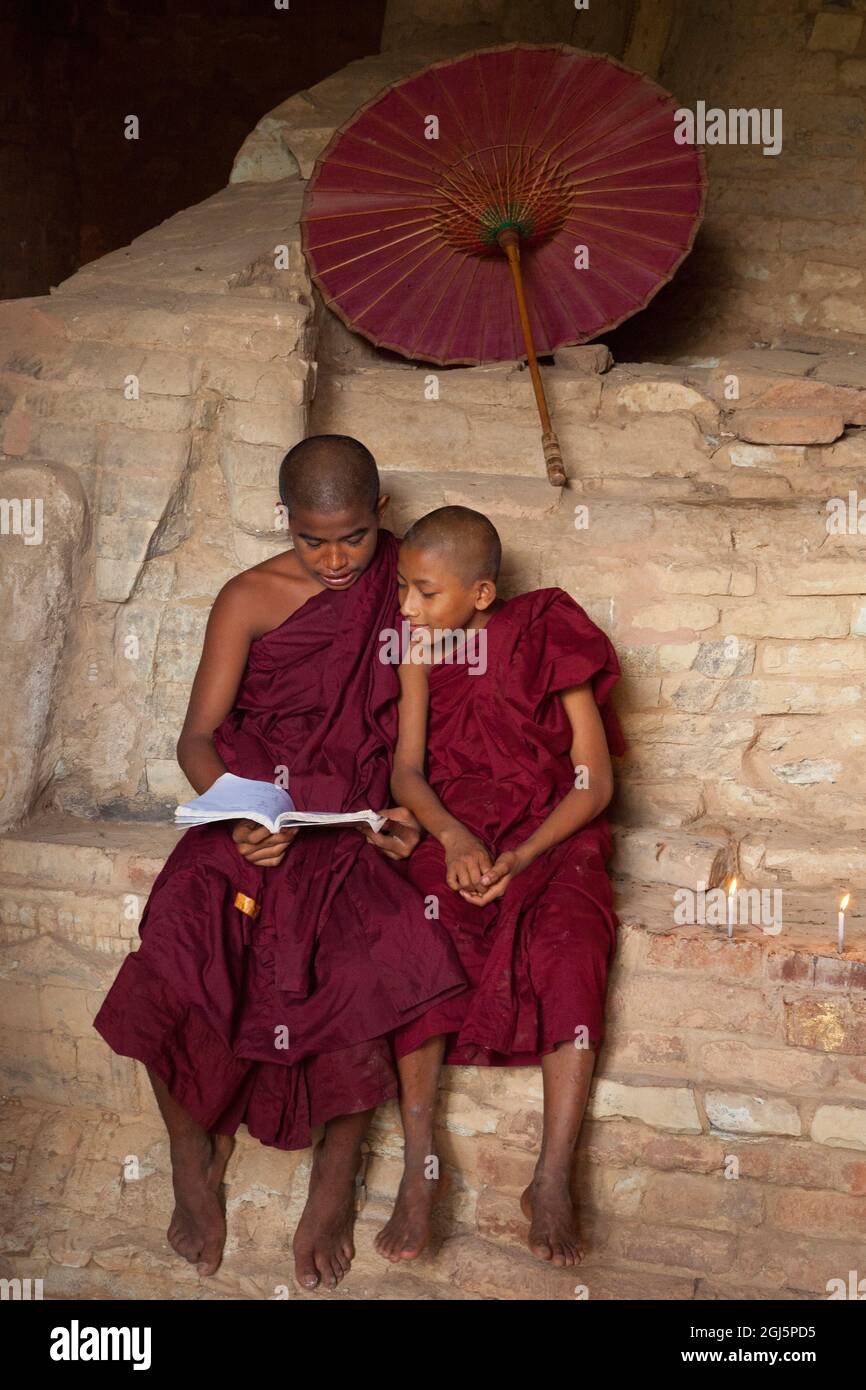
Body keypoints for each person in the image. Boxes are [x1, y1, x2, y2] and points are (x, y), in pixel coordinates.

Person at [94, 437, 465, 1291]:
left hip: (346, 827)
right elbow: (196, 738)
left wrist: (402, 823)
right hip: (252, 814)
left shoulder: (397, 598)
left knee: (372, 949)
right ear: (285, 522)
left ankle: (333, 1181)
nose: (336, 562)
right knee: (183, 936)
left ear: (381, 518)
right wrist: (235, 817)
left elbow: (405, 757)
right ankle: (192, 1150)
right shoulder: (250, 598)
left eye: (355, 540)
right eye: (312, 540)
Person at [374, 506, 626, 1269]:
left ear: (482, 593)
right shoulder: (417, 648)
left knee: (570, 945)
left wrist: (521, 854)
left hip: (553, 829)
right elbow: (406, 771)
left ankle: (552, 1172)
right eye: (402, 590)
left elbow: (594, 781)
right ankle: (421, 1163)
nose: (406, 610)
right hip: (459, 826)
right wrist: (453, 837)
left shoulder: (546, 627)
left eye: (424, 592)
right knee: (412, 934)